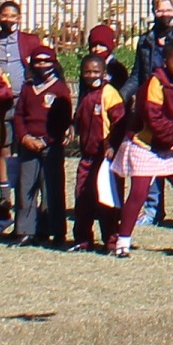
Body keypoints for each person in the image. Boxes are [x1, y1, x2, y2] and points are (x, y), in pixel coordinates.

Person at [114, 42, 173, 256]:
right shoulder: (154, 85)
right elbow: (155, 121)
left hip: (165, 143)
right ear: (165, 63)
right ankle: (122, 242)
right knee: (139, 193)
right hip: (144, 143)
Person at [9, 43, 73, 245]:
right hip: (28, 144)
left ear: (53, 63)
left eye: (46, 61)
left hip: (51, 145)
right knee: (26, 187)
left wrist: (46, 140)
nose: (42, 65)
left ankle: (54, 230)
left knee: (51, 189)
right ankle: (25, 231)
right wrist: (25, 138)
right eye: (38, 61)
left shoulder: (60, 89)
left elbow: (63, 119)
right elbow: (19, 115)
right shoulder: (28, 88)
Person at [71, 52, 124, 251]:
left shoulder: (109, 93)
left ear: (104, 73)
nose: (92, 76)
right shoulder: (85, 93)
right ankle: (82, 240)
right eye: (87, 72)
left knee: (107, 201)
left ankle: (111, 240)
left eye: (96, 72)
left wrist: (111, 146)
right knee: (83, 198)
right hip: (87, 157)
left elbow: (120, 123)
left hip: (105, 159)